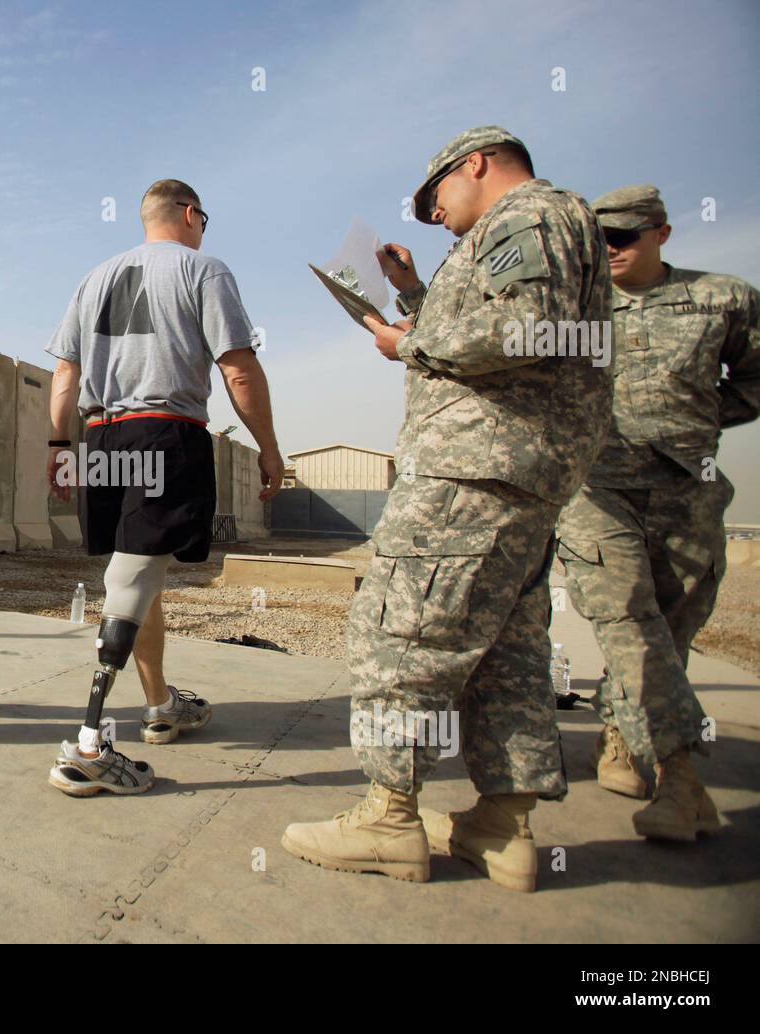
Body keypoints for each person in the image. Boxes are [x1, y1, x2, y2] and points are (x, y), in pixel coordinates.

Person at [282, 127, 612, 891]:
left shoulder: (526, 217)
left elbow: (520, 329)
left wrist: (406, 343)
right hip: (518, 471)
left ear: (476, 165)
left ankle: (389, 817)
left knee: (403, 629)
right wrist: (408, 292)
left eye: (436, 202)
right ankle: (503, 825)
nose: (436, 220)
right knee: (504, 650)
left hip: (473, 468)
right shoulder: (549, 224)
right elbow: (515, 326)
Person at [43, 178, 283, 796]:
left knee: (139, 571)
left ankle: (158, 704)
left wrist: (57, 445)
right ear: (189, 213)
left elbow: (64, 371)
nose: (205, 228)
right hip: (164, 429)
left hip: (101, 436)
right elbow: (237, 366)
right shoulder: (203, 269)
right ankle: (90, 746)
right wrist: (270, 448)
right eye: (205, 217)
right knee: (131, 577)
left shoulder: (92, 278)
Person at [556, 184, 760, 841]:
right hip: (596, 489)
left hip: (688, 492)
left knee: (667, 634)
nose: (609, 251)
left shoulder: (721, 299)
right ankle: (682, 781)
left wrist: (696, 418)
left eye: (624, 238)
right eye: (600, 240)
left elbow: (754, 379)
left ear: (661, 234)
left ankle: (619, 737)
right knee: (625, 620)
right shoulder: (572, 310)